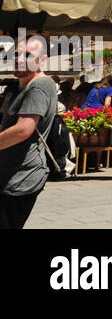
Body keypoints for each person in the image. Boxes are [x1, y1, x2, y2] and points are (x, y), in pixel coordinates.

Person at [0, 37, 59, 228]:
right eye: (16, 54)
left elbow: (23, 129)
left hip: (19, 180)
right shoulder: (22, 86)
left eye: (27, 55)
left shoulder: (40, 85)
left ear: (42, 60)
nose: (19, 59)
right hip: (9, 175)